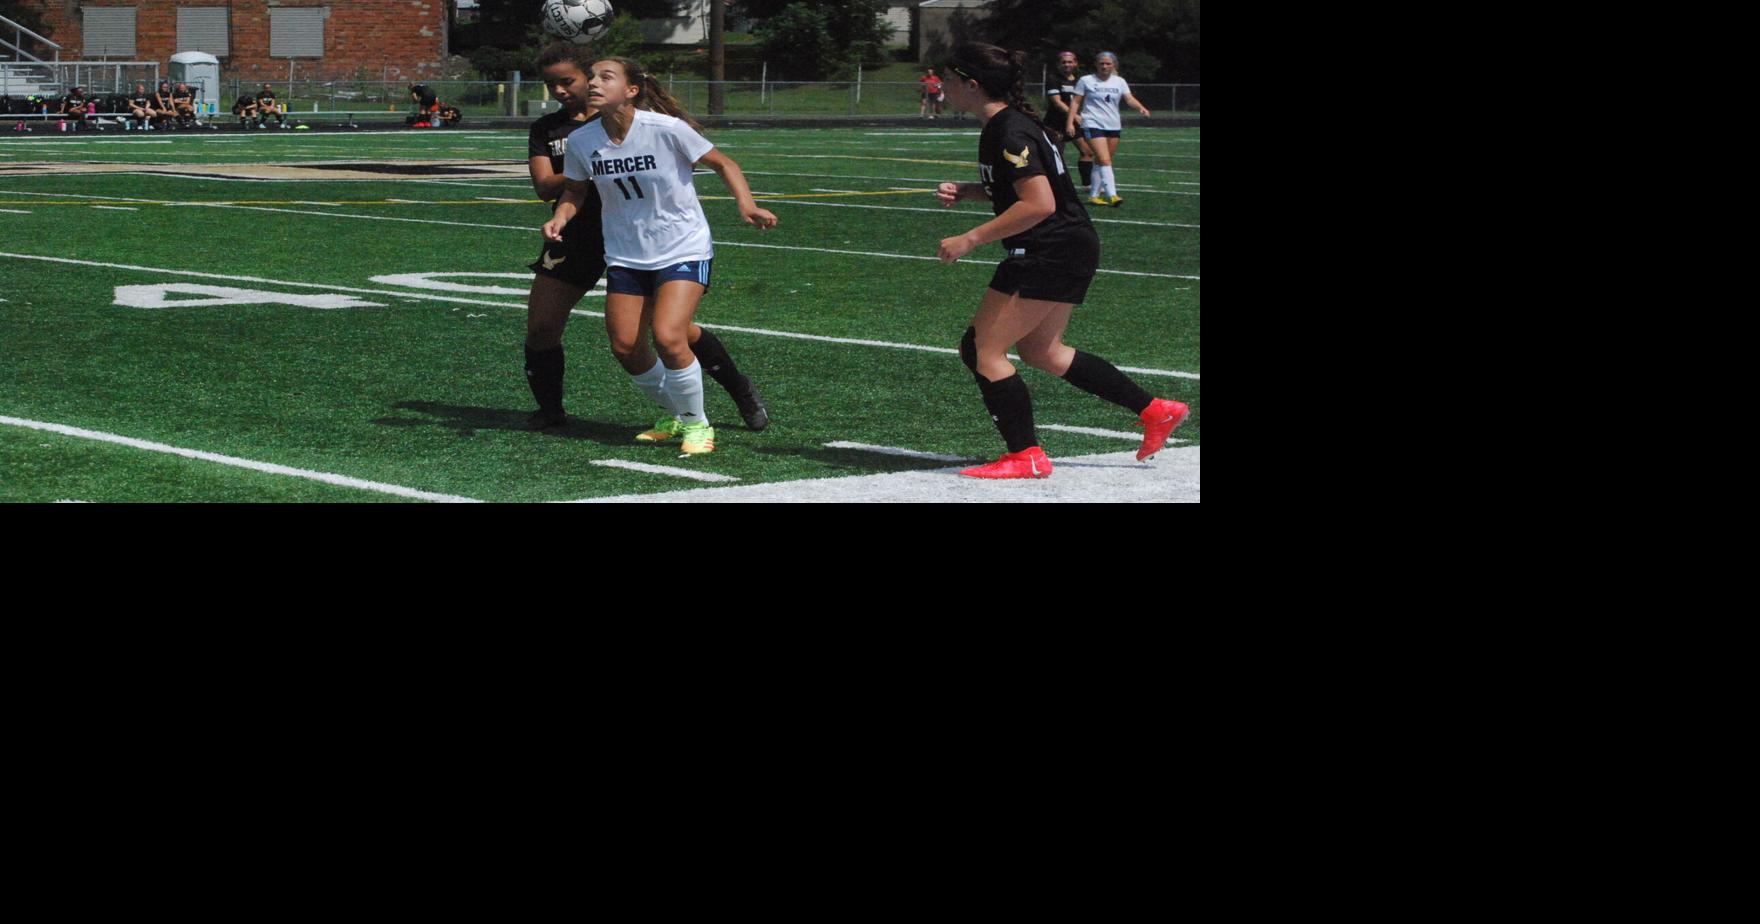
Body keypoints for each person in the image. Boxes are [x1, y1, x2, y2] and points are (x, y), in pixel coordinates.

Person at [933, 42, 1188, 479]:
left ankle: (1025, 455)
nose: (943, 86)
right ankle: (1155, 410)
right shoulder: (1009, 124)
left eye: (949, 80)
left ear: (972, 85)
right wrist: (971, 191)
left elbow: (1039, 204)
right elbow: (1029, 189)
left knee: (981, 350)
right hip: (1068, 244)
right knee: (1041, 350)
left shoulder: (1008, 130)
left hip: (1048, 248)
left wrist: (970, 238)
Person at [521, 43, 768, 434]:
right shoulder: (567, 134)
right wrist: (577, 184)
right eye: (551, 85)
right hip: (587, 237)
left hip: (657, 239)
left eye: (569, 81)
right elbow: (555, 188)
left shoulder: (656, 126)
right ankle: (556, 410)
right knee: (557, 329)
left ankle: (733, 391)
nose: (560, 91)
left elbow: (719, 162)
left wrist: (747, 205)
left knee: (672, 333)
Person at [1066, 51, 1150, 207]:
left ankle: (1093, 196)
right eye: (1101, 63)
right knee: (1104, 159)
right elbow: (1076, 102)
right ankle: (1112, 195)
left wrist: (1140, 107)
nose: (1104, 66)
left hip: (1113, 125)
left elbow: (1129, 98)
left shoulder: (1119, 81)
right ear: (1096, 64)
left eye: (1108, 63)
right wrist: (1070, 123)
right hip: (1092, 123)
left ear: (1114, 65)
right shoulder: (1086, 80)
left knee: (1102, 160)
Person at [1042, 51, 1095, 191]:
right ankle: (1053, 185)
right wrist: (1074, 115)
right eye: (1063, 62)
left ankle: (1087, 184)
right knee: (1056, 156)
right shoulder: (1053, 79)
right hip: (1055, 124)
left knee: (1087, 151)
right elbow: (1057, 102)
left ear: (1075, 63)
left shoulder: (1079, 81)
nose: (1067, 65)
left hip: (1073, 122)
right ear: (1058, 64)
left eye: (1070, 62)